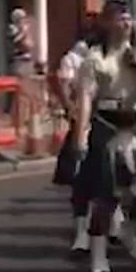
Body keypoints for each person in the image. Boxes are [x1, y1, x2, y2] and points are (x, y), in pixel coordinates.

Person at [73, 0, 136, 272]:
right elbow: (86, 99)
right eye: (120, 18)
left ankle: (128, 231)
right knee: (105, 194)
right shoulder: (95, 58)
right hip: (107, 125)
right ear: (106, 22)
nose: (126, 23)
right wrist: (81, 136)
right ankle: (98, 256)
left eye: (129, 18)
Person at [51, 39, 91, 255]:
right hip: (83, 121)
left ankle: (118, 227)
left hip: (108, 122)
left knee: (114, 181)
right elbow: (61, 82)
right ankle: (81, 232)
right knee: (81, 179)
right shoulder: (73, 59)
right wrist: (69, 107)